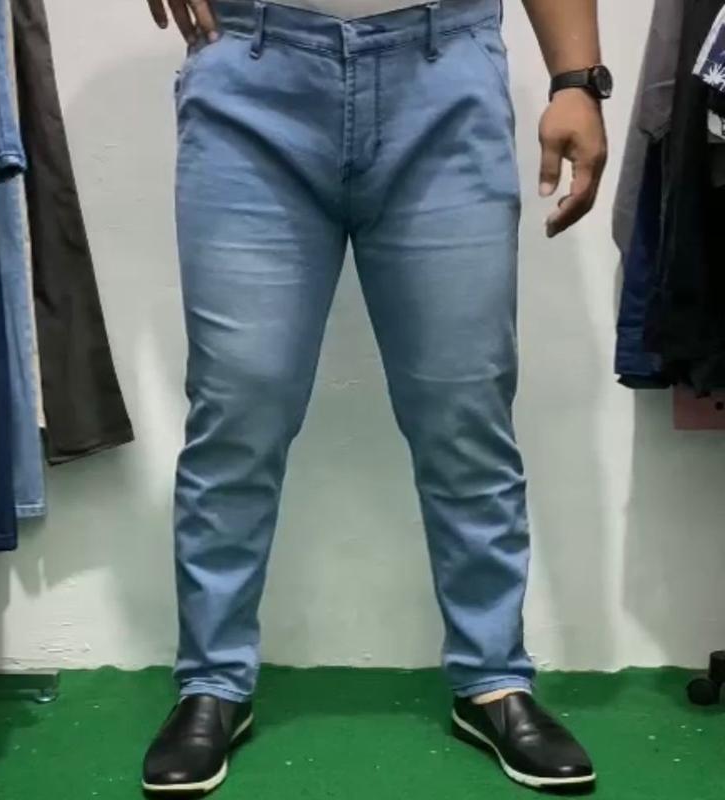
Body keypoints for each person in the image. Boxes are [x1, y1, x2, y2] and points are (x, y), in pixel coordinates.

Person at [141, 0, 609, 794]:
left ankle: (493, 677)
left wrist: (577, 79)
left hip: (444, 71)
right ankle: (211, 682)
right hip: (250, 71)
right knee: (239, 406)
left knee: (464, 405)